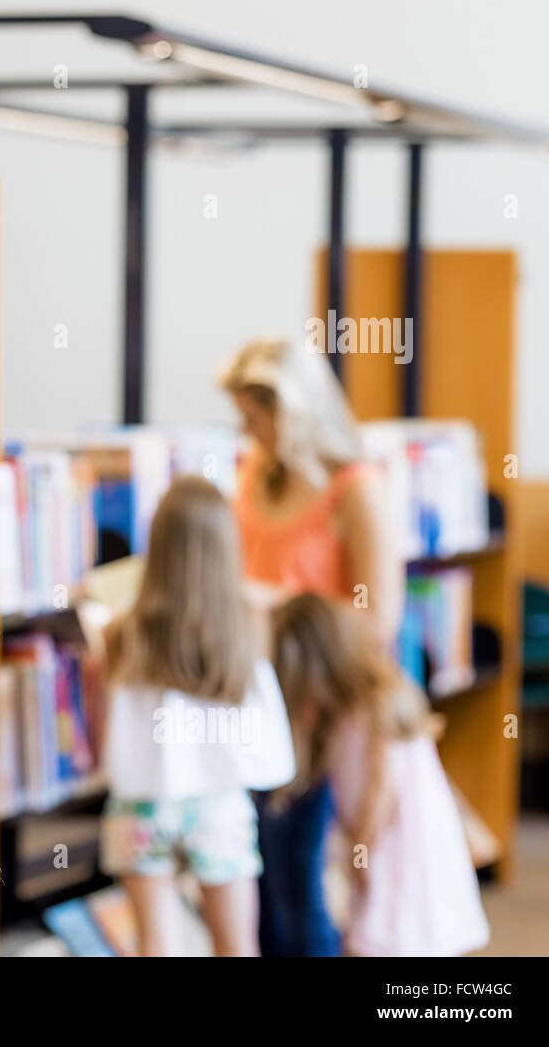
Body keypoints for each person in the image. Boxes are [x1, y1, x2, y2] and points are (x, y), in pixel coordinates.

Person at [217, 336, 403, 957]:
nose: (248, 431)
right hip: (250, 697)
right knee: (255, 877)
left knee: (298, 878)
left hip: (317, 712)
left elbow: (378, 621)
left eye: (256, 415)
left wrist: (275, 600)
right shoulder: (252, 475)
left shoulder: (357, 489)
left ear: (294, 409)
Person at [98, 476, 295, 956]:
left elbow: (105, 722)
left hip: (142, 805)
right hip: (219, 804)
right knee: (236, 945)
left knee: (155, 945)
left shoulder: (121, 630)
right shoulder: (248, 624)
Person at [270, 593, 489, 956]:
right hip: (376, 841)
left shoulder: (375, 704)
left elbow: (378, 792)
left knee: (398, 932)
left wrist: (360, 849)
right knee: (384, 932)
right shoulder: (342, 710)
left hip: (395, 844)